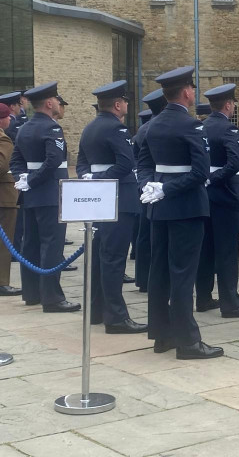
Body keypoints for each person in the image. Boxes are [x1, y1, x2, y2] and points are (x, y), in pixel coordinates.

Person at [137, 66, 223, 359]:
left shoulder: (151, 126)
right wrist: (166, 189)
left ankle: (162, 335)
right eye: (192, 88)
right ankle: (188, 341)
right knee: (183, 274)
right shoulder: (191, 125)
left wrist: (150, 187)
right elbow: (200, 172)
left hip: (159, 209)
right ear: (186, 92)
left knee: (159, 272)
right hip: (185, 207)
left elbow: (144, 165)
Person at [76, 81, 147, 334]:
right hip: (119, 199)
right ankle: (116, 317)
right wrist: (99, 180)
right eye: (125, 101)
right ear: (117, 105)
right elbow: (126, 164)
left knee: (99, 256)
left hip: (98, 199)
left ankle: (96, 310)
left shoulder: (89, 128)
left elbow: (81, 162)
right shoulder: (117, 128)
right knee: (114, 258)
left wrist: (89, 178)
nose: (126, 104)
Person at [9, 82, 79, 312]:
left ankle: (31, 293)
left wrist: (24, 179)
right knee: (51, 245)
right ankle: (52, 298)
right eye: (57, 100)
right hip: (50, 193)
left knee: (30, 244)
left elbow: (16, 160)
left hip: (30, 195)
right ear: (49, 103)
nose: (59, 104)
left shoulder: (25, 128)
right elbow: (53, 162)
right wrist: (32, 180)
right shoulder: (52, 128)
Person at [195, 83, 239, 318]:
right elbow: (235, 163)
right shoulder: (228, 130)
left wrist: (206, 178)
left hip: (205, 196)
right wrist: (214, 178)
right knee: (227, 251)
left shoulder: (200, 127)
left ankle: (203, 297)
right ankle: (230, 302)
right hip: (225, 197)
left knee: (206, 249)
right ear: (229, 105)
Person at [132, 89, 167, 293]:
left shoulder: (143, 129)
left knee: (144, 233)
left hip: (145, 184)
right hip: (159, 185)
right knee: (155, 235)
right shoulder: (159, 127)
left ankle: (142, 278)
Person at [0, 103, 21, 297]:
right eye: (8, 117)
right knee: (4, 243)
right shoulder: (4, 139)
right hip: (4, 197)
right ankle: (2, 282)